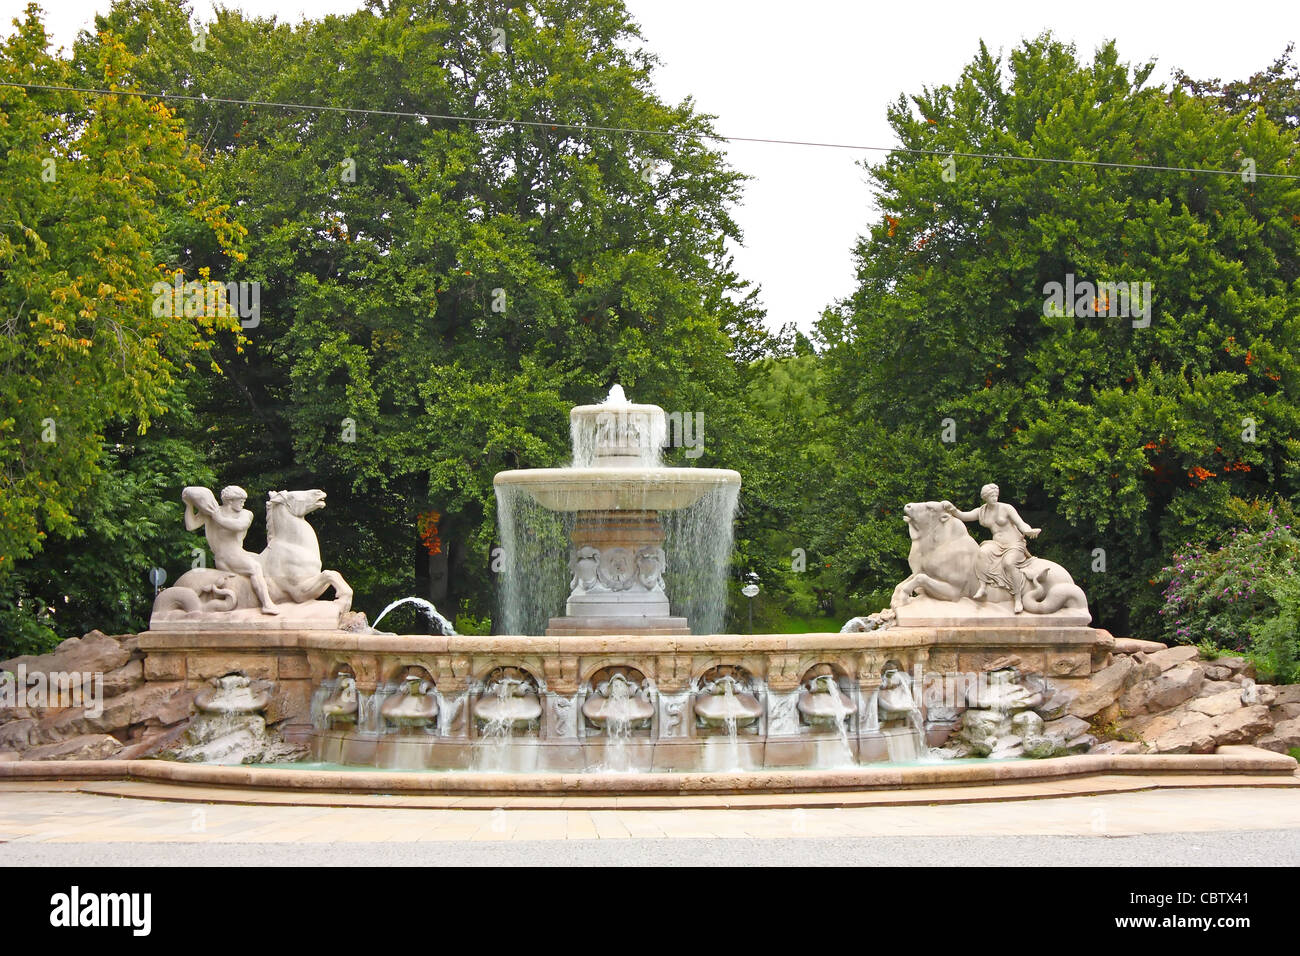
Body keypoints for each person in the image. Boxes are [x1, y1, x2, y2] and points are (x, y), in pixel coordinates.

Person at [943, 484, 1041, 613]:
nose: (995, 497)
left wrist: (1028, 531)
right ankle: (983, 586)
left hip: (1014, 543)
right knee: (981, 553)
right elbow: (964, 516)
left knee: (1009, 563)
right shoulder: (982, 511)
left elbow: (1020, 523)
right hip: (996, 544)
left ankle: (1018, 598)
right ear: (985, 497)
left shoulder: (1006, 508)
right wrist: (952, 509)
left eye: (996, 495)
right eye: (991, 496)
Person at [183, 485, 279, 614]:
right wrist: (189, 505)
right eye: (240, 500)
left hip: (238, 553)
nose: (243, 503)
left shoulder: (245, 514)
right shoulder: (212, 512)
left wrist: (217, 517)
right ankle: (267, 604)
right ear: (230, 500)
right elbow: (190, 525)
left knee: (264, 562)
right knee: (255, 567)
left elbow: (239, 525)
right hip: (225, 556)